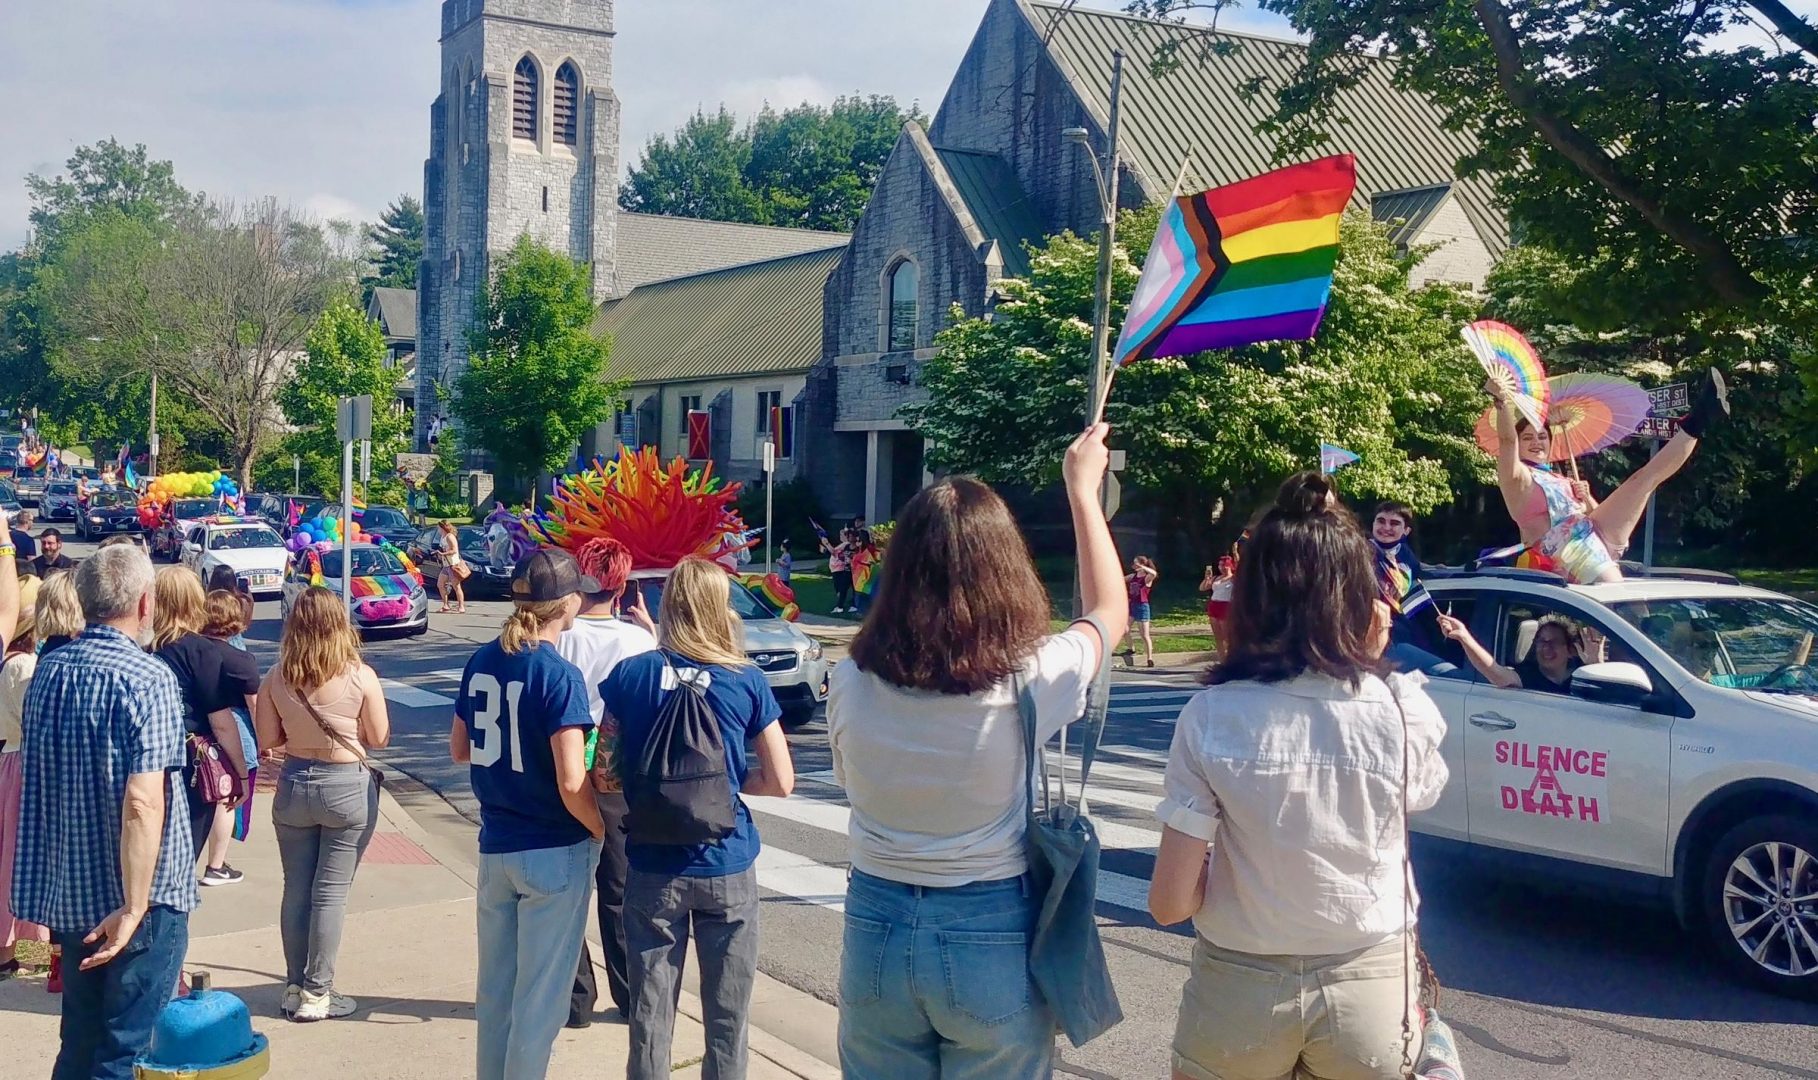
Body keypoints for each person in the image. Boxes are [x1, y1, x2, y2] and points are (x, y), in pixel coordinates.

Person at [828, 424, 1126, 1077]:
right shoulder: (1032, 677)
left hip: (875, 919)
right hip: (988, 922)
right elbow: (1109, 610)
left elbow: (850, 777)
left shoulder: (850, 677)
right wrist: (1082, 492)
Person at [1148, 471, 1449, 1080]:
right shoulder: (1401, 705)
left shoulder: (1212, 715)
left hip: (1240, 989)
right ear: (1361, 596)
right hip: (1369, 987)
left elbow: (1169, 904)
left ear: (1253, 595)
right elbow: (1417, 796)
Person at [600, 556, 796, 1080]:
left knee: (649, 1010)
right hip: (726, 861)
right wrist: (731, 788)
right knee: (728, 1013)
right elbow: (781, 779)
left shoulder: (629, 676)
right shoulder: (746, 680)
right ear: (721, 608)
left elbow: (606, 773)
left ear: (670, 606)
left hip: (652, 866)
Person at [12, 544, 193, 1080]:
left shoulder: (50, 669)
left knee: (80, 1039)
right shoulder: (148, 677)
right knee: (127, 1049)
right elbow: (142, 801)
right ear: (144, 602)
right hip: (141, 896)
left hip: (72, 885)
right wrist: (135, 905)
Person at [450, 549, 604, 1080]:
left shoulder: (483, 659)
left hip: (497, 843)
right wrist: (599, 826)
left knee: (496, 992)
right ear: (569, 605)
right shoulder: (559, 675)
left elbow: (459, 748)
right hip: (554, 847)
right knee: (539, 1002)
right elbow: (570, 779)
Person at [253, 587, 389, 1022]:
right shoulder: (358, 675)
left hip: (295, 782)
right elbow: (379, 737)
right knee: (329, 895)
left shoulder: (277, 676)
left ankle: (294, 985)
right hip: (345, 784)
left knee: (296, 889)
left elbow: (268, 740)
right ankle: (318, 990)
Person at [1481, 368, 1730, 584]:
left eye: (1542, 436)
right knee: (1619, 601)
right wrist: (1502, 402)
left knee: (1642, 480)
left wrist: (1587, 498)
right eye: (1528, 437)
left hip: (1594, 532)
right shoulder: (1516, 477)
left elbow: (1594, 513)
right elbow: (1506, 440)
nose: (1537, 442)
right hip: (1563, 550)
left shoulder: (1561, 479)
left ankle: (1702, 416)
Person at [559, 537, 657, 1028]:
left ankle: (575, 999)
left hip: (562, 770)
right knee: (618, 891)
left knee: (567, 890)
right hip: (617, 777)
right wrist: (653, 631)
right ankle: (629, 995)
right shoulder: (638, 643)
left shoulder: (559, 635)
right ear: (621, 586)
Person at [150, 567, 258, 885]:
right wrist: (240, 774)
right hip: (188, 763)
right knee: (180, 860)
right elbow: (221, 722)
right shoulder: (201, 651)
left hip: (144, 757)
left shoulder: (145, 647)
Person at [0, 581, 47, 980]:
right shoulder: (23, 667)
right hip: (23, 762)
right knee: (24, 860)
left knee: (9, 857)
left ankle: (10, 948)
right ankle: (31, 952)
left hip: (7, 758)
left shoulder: (5, 663)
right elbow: (33, 719)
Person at [1435, 611, 1605, 694]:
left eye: (1554, 642)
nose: (1546, 647)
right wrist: (1465, 638)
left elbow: (1608, 702)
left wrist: (1596, 664)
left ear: (1570, 651)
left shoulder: (1583, 675)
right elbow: (1495, 672)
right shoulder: (1527, 675)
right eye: (1541, 641)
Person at [1121, 554, 1159, 668]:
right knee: (1125, 629)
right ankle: (1131, 648)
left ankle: (1149, 658)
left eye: (1136, 563)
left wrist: (1143, 568)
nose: (1133, 565)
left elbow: (1154, 574)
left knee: (1144, 635)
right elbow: (1121, 579)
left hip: (1142, 606)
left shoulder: (1147, 577)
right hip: (1132, 605)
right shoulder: (1133, 576)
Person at [1199, 556, 1235, 657]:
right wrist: (1207, 579)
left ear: (1230, 566)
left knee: (1226, 636)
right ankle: (1222, 660)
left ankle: (1230, 658)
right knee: (1218, 637)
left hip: (1226, 606)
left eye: (1225, 565)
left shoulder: (1233, 579)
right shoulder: (1216, 578)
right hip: (1214, 605)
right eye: (1220, 565)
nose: (1222, 567)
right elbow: (1202, 588)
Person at [436, 520, 468, 614]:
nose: (437, 529)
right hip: (446, 565)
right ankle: (446, 605)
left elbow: (454, 550)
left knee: (456, 586)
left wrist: (443, 553)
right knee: (440, 584)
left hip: (453, 565)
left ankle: (461, 606)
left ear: (443, 527)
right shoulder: (443, 537)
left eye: (438, 527)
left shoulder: (450, 536)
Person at [823, 528, 854, 614]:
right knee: (840, 588)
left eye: (842, 534)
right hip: (837, 569)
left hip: (839, 569)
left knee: (841, 588)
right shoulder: (843, 545)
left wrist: (826, 543)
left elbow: (834, 552)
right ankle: (841, 604)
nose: (840, 536)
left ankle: (841, 605)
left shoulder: (845, 544)